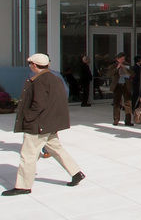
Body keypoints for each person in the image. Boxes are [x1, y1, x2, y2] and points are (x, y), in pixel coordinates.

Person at [2, 53, 86, 196]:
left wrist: (28, 118)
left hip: (38, 124)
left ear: (34, 65)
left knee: (28, 154)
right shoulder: (55, 78)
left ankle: (23, 186)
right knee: (56, 149)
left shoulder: (39, 80)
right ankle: (76, 172)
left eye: (30, 64)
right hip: (49, 123)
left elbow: (38, 104)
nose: (30, 66)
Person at [107, 53, 133, 126]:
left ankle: (128, 120)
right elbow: (109, 74)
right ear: (117, 59)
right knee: (117, 103)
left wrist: (126, 70)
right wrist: (117, 68)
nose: (122, 60)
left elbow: (133, 74)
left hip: (126, 85)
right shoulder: (113, 65)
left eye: (123, 59)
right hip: (117, 85)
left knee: (128, 103)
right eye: (121, 59)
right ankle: (116, 119)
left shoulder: (127, 65)